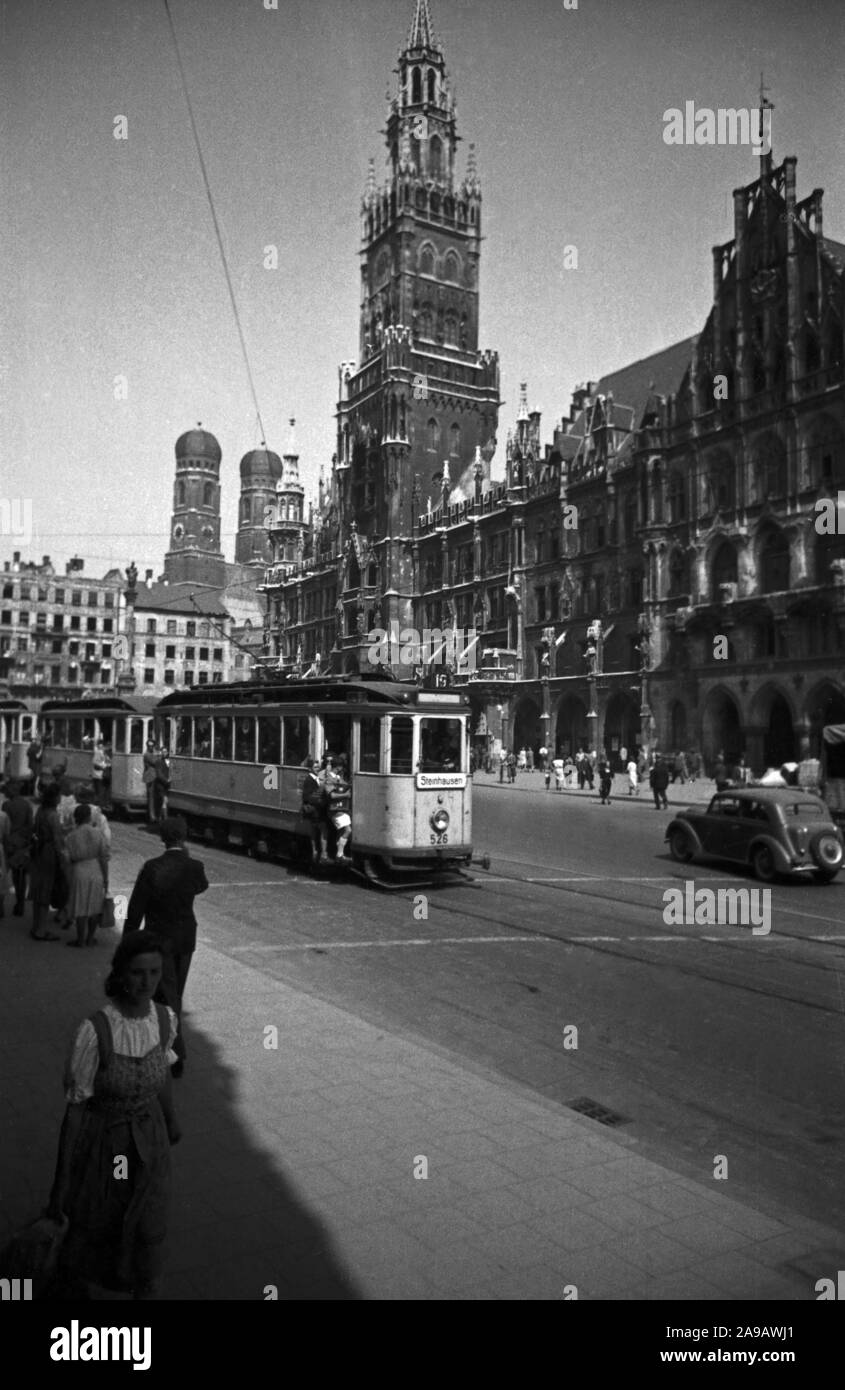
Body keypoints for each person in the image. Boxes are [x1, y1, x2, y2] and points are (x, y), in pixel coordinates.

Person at [44, 933, 181, 1299]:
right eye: (137, 972)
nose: (147, 982)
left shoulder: (164, 1020)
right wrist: (61, 1182)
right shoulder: (96, 1030)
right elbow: (75, 1111)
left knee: (148, 1225)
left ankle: (144, 1291)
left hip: (150, 1144)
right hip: (107, 1145)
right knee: (100, 1222)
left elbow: (164, 1072)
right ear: (120, 973)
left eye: (154, 972)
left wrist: (171, 1120)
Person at [123, 816, 208, 1078]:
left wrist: (129, 938)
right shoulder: (194, 866)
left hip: (159, 938)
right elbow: (201, 886)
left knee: (168, 995)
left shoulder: (151, 868)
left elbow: (136, 906)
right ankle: (168, 1045)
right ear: (183, 837)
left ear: (162, 837)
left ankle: (174, 1051)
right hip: (185, 937)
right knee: (174, 992)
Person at [64, 803, 110, 948]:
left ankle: (80, 940)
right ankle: (90, 938)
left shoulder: (71, 836)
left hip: (79, 870)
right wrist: (106, 878)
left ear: (76, 818)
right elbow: (104, 857)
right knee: (95, 907)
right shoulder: (98, 833)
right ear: (89, 817)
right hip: (96, 869)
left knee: (80, 906)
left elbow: (68, 858)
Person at [28, 783, 68, 941]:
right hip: (48, 854)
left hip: (38, 852)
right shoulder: (53, 815)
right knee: (45, 892)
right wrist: (63, 861)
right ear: (55, 798)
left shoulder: (40, 811)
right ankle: (41, 931)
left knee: (38, 891)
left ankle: (36, 926)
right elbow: (58, 841)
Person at [2, 780, 33, 916]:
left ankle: (2, 905)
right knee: (21, 875)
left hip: (9, 843)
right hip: (23, 844)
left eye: (7, 790)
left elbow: (4, 826)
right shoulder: (27, 805)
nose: (5, 792)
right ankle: (20, 903)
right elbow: (30, 825)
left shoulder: (7, 805)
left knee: (6, 874)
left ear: (13, 790)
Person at [301, 757, 328, 862]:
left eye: (318, 766)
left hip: (316, 810)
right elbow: (307, 797)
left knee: (315, 832)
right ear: (310, 768)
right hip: (316, 811)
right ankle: (322, 853)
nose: (317, 768)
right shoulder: (309, 780)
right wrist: (321, 801)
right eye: (315, 766)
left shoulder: (315, 778)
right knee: (323, 830)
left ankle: (316, 851)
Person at [152, 747, 171, 823]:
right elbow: (159, 775)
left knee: (164, 802)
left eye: (166, 751)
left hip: (166, 785)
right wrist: (166, 781)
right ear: (160, 753)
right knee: (164, 802)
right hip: (160, 785)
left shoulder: (168, 761)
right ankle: (164, 820)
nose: (164, 753)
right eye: (163, 752)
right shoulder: (158, 762)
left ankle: (160, 819)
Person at [142, 740, 158, 822]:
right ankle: (152, 816)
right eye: (149, 745)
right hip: (150, 777)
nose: (151, 747)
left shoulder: (152, 754)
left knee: (153, 797)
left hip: (154, 776)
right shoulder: (147, 755)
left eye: (152, 745)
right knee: (151, 797)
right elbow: (155, 762)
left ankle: (153, 815)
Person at [91, 739, 110, 807]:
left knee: (102, 791)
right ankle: (100, 806)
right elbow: (95, 764)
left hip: (100, 775)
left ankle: (103, 805)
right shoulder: (99, 752)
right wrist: (103, 768)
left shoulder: (104, 753)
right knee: (100, 792)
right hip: (98, 775)